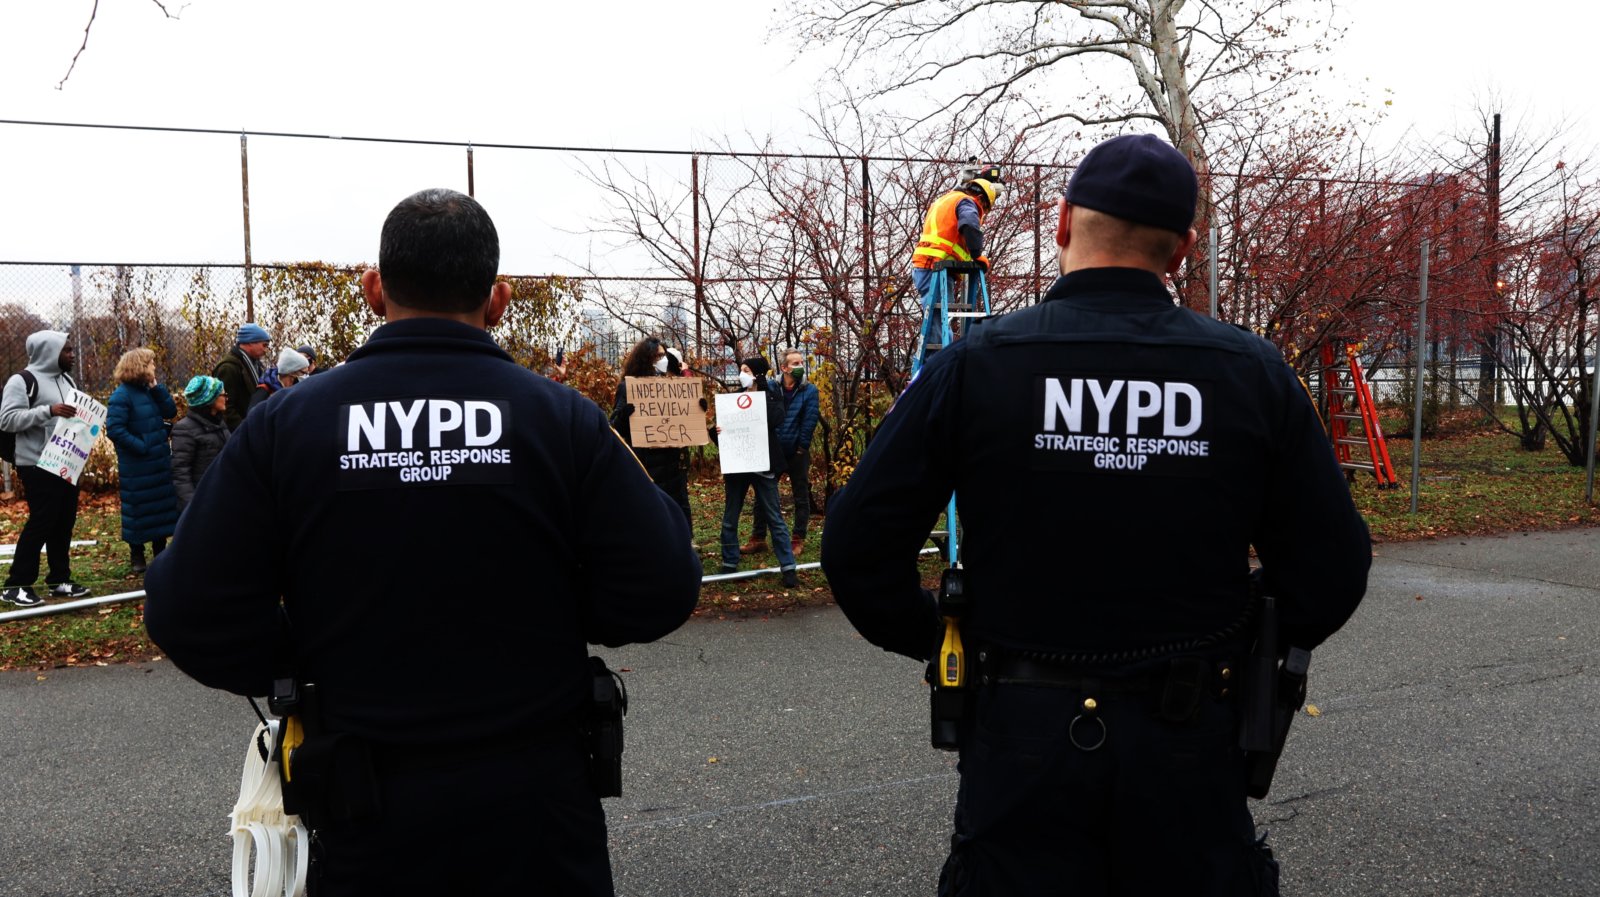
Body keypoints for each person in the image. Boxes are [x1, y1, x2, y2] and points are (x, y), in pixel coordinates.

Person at [821, 134, 1372, 896]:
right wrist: (1239, 630)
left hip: (1019, 737)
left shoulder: (976, 365)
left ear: (1062, 220)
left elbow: (854, 550)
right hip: (1191, 736)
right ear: (1182, 250)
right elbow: (1333, 571)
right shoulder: (1251, 373)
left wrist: (948, 637)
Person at [143, 187, 701, 897]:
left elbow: (185, 605)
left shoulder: (289, 424)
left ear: (375, 289)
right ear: (497, 301)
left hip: (364, 803)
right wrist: (561, 616)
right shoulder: (559, 418)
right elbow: (663, 583)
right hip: (536, 806)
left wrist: (301, 655)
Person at [0, 330, 91, 606]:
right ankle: (16, 585)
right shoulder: (21, 381)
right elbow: (7, 420)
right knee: (42, 521)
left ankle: (59, 579)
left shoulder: (67, 379)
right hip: (37, 463)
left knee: (64, 521)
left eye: (72, 350)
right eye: (67, 350)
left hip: (66, 461)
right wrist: (48, 411)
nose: (72, 355)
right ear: (49, 352)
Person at [716, 356, 799, 588]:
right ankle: (730, 563)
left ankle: (788, 567)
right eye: (741, 369)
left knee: (774, 517)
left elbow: (776, 418)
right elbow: (723, 433)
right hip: (738, 466)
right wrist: (717, 431)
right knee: (730, 516)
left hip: (763, 465)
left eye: (747, 370)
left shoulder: (771, 394)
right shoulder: (733, 398)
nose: (742, 373)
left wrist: (762, 393)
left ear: (759, 374)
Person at [105, 347, 179, 574]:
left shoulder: (149, 391)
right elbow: (115, 429)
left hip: (158, 460)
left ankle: (160, 550)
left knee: (160, 505)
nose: (154, 367)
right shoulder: (122, 395)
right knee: (137, 506)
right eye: (151, 364)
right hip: (137, 463)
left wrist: (158, 389)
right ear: (140, 366)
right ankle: (136, 552)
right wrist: (141, 446)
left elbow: (170, 410)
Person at [743, 348, 820, 557]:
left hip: (797, 452)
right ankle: (758, 538)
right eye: (794, 363)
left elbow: (809, 421)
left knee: (800, 496)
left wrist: (802, 447)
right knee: (763, 495)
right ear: (784, 368)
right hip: (773, 450)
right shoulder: (770, 387)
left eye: (801, 362)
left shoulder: (809, 390)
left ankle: (798, 539)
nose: (800, 367)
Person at [611, 335, 692, 526]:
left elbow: (683, 419)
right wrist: (624, 414)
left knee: (675, 510)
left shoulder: (669, 386)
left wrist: (696, 408)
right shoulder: (628, 388)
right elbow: (614, 426)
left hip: (671, 463)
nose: (662, 360)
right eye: (657, 356)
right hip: (645, 463)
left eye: (663, 355)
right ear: (646, 359)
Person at [910, 169, 1002, 311]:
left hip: (926, 264)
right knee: (940, 320)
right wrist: (976, 255)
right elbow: (970, 223)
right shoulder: (967, 202)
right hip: (935, 264)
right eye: (984, 208)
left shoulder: (946, 199)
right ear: (981, 199)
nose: (981, 212)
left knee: (938, 317)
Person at [169, 375, 230, 514]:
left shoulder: (219, 423)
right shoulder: (184, 429)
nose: (226, 397)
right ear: (210, 399)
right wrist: (193, 509)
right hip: (203, 504)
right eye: (223, 394)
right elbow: (180, 473)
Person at [212, 322, 271, 430]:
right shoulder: (228, 368)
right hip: (239, 432)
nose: (265, 350)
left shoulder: (257, 366)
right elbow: (226, 407)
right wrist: (243, 430)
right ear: (250, 343)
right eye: (264, 345)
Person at [243, 347, 311, 418]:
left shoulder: (295, 389)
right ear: (292, 372)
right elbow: (252, 418)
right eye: (304, 373)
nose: (306, 376)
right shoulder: (264, 392)